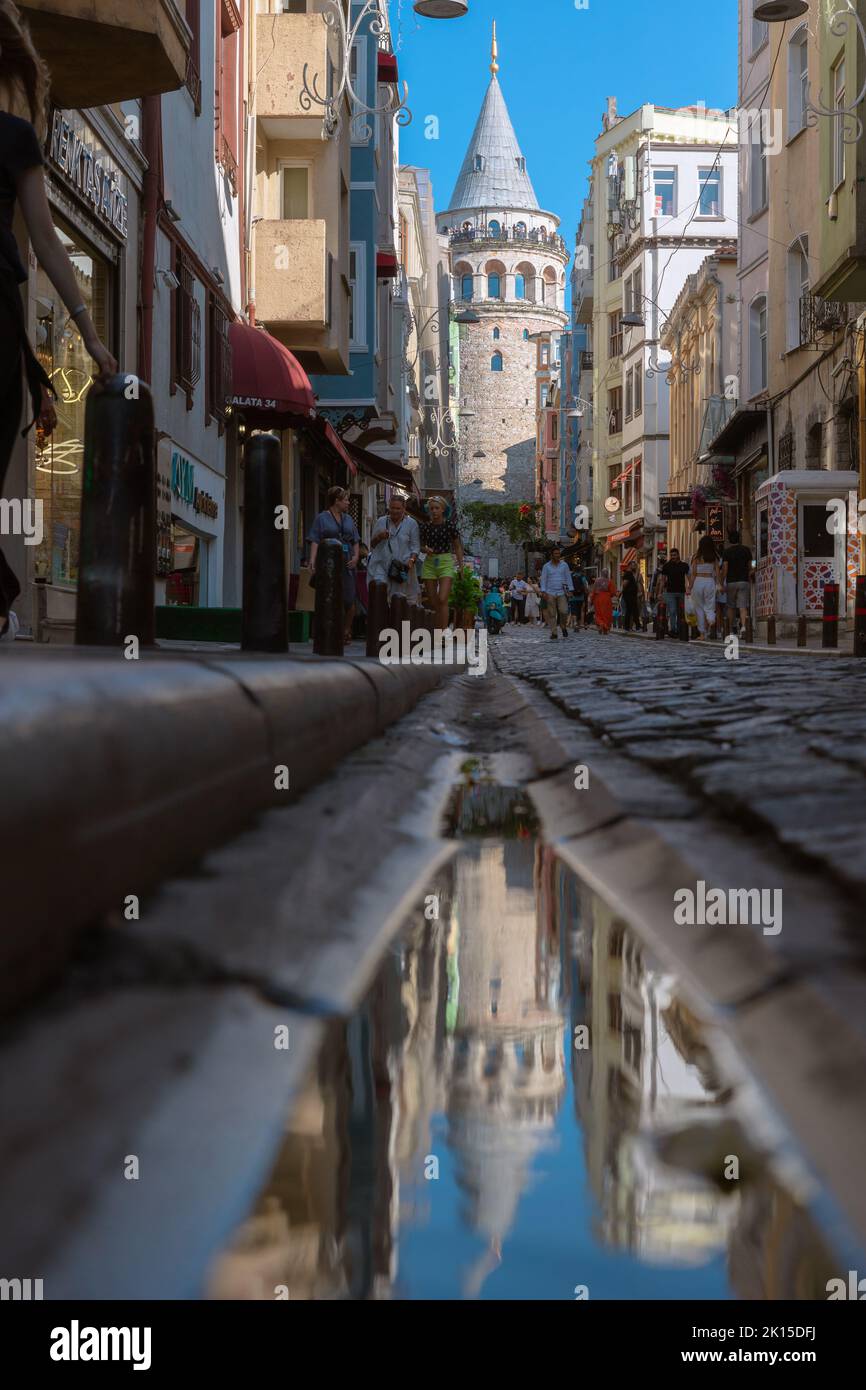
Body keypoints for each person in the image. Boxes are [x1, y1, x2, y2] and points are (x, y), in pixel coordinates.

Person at [0, 1, 117, 637]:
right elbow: (44, 242)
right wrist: (93, 337)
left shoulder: (17, 138)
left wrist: (90, 334)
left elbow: (47, 242)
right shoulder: (15, 137)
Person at [308, 485, 361, 645]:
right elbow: (315, 539)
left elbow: (355, 540)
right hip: (329, 563)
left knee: (349, 599)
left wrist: (356, 557)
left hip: (347, 562)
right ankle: (330, 631)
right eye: (345, 500)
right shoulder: (322, 518)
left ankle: (346, 629)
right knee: (329, 597)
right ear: (336, 501)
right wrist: (312, 559)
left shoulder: (349, 519)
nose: (348, 503)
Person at [367, 491, 421, 607]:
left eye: (398, 508)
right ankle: (380, 622)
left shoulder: (411, 524)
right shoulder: (381, 521)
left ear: (404, 508)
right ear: (389, 507)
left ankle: (396, 623)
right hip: (381, 564)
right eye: (392, 508)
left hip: (401, 567)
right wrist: (380, 537)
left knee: (398, 599)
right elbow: (372, 544)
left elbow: (415, 546)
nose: (395, 511)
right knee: (380, 593)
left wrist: (411, 561)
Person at [419, 495, 464, 631]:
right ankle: (438, 628)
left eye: (437, 508)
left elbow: (457, 546)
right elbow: (419, 545)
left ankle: (442, 632)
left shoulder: (449, 525)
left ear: (443, 509)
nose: (434, 511)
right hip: (430, 562)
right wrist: (425, 549)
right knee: (433, 601)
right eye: (431, 508)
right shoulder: (426, 527)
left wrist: (461, 567)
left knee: (442, 598)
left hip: (445, 561)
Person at [687, 535, 721, 640]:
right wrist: (719, 584)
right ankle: (711, 619)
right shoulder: (714, 557)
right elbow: (717, 573)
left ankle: (702, 634)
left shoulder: (696, 557)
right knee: (710, 605)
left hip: (698, 582)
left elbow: (693, 574)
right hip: (710, 581)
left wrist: (690, 586)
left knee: (699, 608)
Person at [722, 528, 753, 637]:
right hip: (744, 581)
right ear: (739, 539)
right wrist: (751, 573)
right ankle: (744, 628)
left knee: (731, 607)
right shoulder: (746, 550)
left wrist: (722, 583)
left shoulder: (726, 552)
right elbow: (751, 566)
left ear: (730, 540)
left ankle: (730, 630)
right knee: (743, 606)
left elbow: (725, 569)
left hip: (731, 582)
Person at [539, 545, 573, 640]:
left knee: (564, 611)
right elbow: (544, 579)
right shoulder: (546, 566)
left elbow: (568, 577)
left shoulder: (564, 565)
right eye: (555, 554)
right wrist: (543, 591)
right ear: (552, 555)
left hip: (561, 592)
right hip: (550, 592)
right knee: (552, 613)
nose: (557, 555)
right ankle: (554, 632)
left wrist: (570, 590)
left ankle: (563, 626)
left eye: (558, 553)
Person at [660, 547, 690, 637]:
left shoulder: (684, 565)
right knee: (672, 611)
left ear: (678, 555)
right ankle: (673, 630)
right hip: (670, 592)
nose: (673, 557)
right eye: (672, 555)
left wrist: (690, 587)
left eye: (675, 555)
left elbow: (689, 577)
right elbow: (662, 580)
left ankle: (680, 629)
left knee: (681, 612)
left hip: (681, 591)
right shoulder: (666, 566)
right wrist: (660, 592)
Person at [591, 569, 616, 635]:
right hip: (606, 598)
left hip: (598, 598)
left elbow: (593, 591)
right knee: (606, 614)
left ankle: (601, 624)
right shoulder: (609, 581)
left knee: (598, 613)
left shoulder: (597, 581)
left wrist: (591, 600)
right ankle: (605, 627)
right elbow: (613, 592)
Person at [621, 564, 641, 631]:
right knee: (634, 611)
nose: (635, 567)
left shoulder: (630, 574)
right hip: (629, 596)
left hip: (630, 595)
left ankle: (628, 627)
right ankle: (637, 626)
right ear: (630, 566)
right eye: (634, 566)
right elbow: (624, 584)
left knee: (630, 611)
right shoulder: (628, 574)